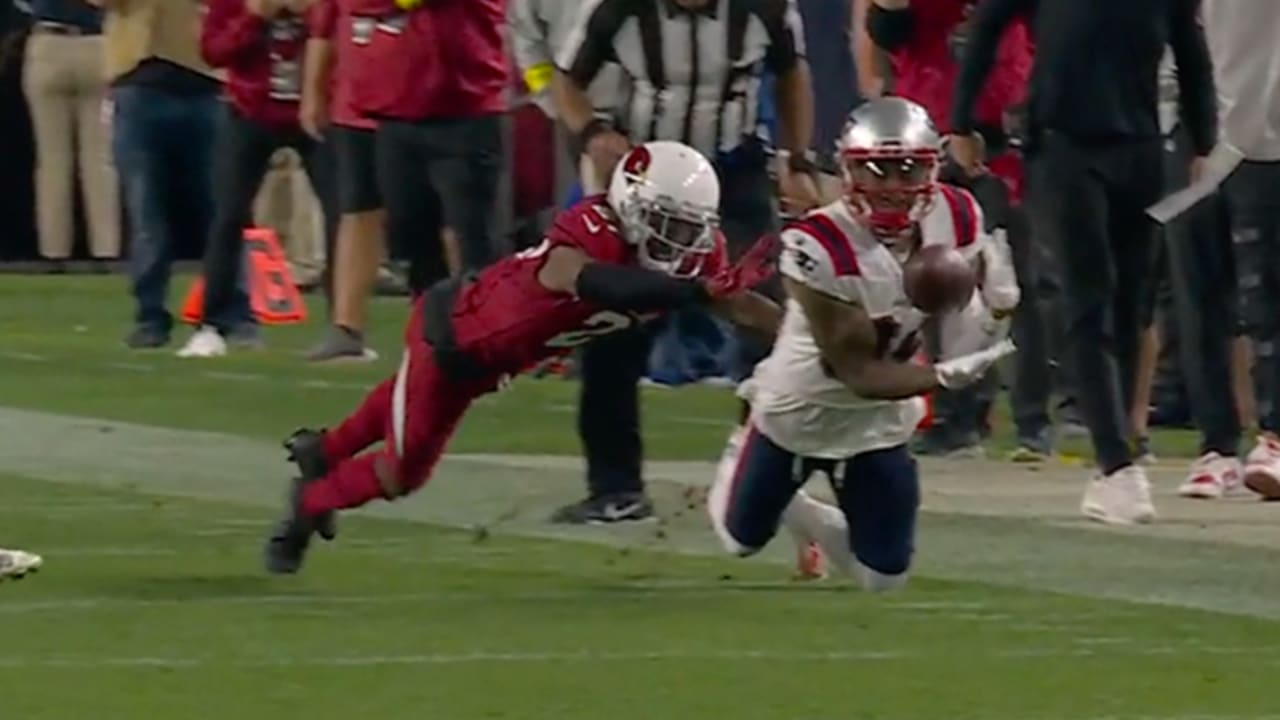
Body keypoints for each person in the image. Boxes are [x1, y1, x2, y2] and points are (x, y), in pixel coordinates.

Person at [263, 141, 784, 574]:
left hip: (497, 355)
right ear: (630, 204)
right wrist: (687, 291)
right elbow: (581, 278)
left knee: (410, 404)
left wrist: (801, 342)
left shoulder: (693, 256)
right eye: (665, 223)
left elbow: (734, 303)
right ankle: (308, 504)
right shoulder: (594, 226)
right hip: (454, 335)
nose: (680, 242)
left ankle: (324, 451)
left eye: (688, 228)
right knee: (404, 471)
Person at [708, 98, 1016, 587]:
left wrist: (994, 315)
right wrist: (937, 377)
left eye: (909, 169)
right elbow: (858, 373)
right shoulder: (818, 245)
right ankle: (751, 454)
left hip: (877, 422)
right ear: (849, 171)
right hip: (800, 407)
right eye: (878, 171)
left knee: (884, 578)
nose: (894, 187)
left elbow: (957, 327)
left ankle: (823, 524)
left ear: (932, 167)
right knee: (739, 539)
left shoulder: (957, 216)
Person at [549, 0, 818, 524]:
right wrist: (592, 132)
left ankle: (774, 482)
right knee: (609, 330)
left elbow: (791, 71)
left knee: (771, 330)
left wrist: (798, 155)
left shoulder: (764, 8)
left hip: (732, 171)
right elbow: (567, 80)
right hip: (647, 181)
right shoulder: (615, 8)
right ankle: (615, 488)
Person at [949, 0, 1216, 525]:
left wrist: (1202, 138)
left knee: (1130, 306)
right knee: (1086, 299)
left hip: (1140, 145)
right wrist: (963, 120)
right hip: (1063, 144)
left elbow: (1190, 50)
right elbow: (988, 24)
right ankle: (1116, 463)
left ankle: (1116, 454)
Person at [177, 0, 337, 358]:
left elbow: (346, 42)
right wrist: (254, 18)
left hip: (315, 111)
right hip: (249, 111)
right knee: (229, 214)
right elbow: (213, 51)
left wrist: (310, 16)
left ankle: (344, 326)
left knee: (341, 215)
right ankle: (211, 324)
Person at [89, 0, 230, 349]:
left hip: (203, 80)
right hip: (141, 81)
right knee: (148, 212)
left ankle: (227, 316)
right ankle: (151, 316)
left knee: (220, 213)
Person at [1201, 1, 1280, 500]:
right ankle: (1217, 447)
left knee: (1266, 296)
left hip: (1266, 141)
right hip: (1198, 134)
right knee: (1198, 295)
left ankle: (1272, 436)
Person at [299, 0, 385, 362]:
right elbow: (325, 24)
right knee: (357, 210)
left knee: (446, 219)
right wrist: (313, 92)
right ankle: (346, 326)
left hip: (429, 100)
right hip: (356, 103)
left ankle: (469, 325)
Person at [21, 0, 120, 268]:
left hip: (48, 42)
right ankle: (105, 250)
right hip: (97, 44)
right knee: (99, 159)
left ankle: (54, 252)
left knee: (52, 160)